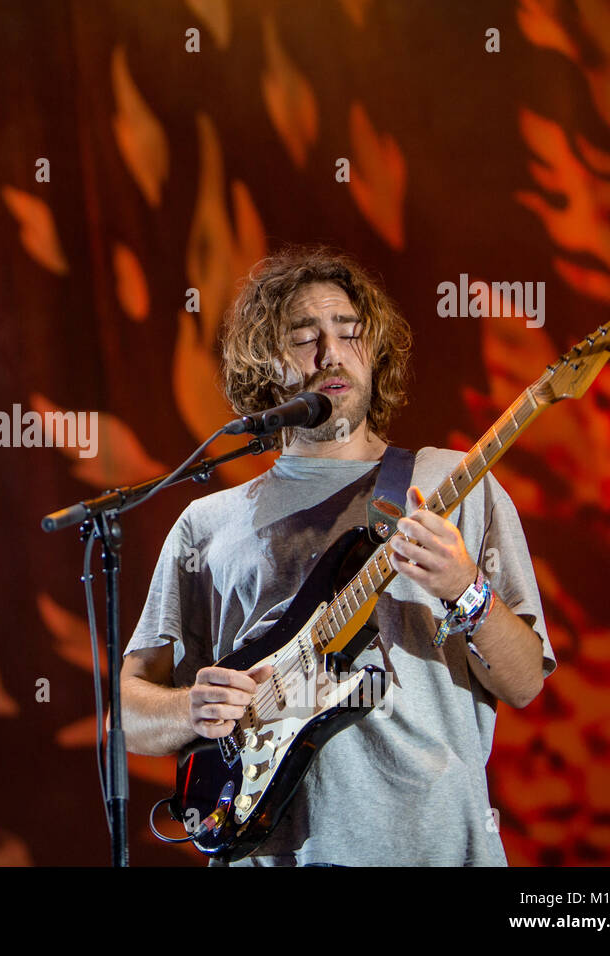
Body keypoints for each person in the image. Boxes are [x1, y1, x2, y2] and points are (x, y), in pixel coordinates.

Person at [120, 247, 555, 866]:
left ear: (373, 351)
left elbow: (525, 682)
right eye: (304, 337)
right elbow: (132, 712)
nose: (331, 353)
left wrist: (466, 588)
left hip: (433, 848)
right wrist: (190, 706)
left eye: (350, 333)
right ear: (264, 364)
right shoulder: (206, 525)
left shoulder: (449, 483)